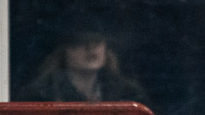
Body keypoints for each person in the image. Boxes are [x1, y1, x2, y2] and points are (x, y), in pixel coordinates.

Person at [18, 14, 148, 105]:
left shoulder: (127, 94)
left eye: (97, 41)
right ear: (64, 50)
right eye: (80, 42)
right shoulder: (41, 96)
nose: (91, 48)